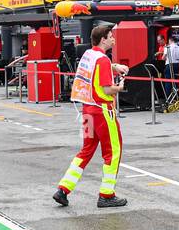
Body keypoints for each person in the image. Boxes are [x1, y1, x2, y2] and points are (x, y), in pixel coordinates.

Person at [53, 23, 130, 209]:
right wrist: (119, 88)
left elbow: (96, 69)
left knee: (86, 150)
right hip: (103, 111)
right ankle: (106, 194)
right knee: (113, 152)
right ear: (103, 39)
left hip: (87, 111)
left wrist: (115, 67)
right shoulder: (102, 59)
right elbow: (106, 88)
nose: (113, 38)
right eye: (111, 35)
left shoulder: (89, 55)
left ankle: (63, 189)